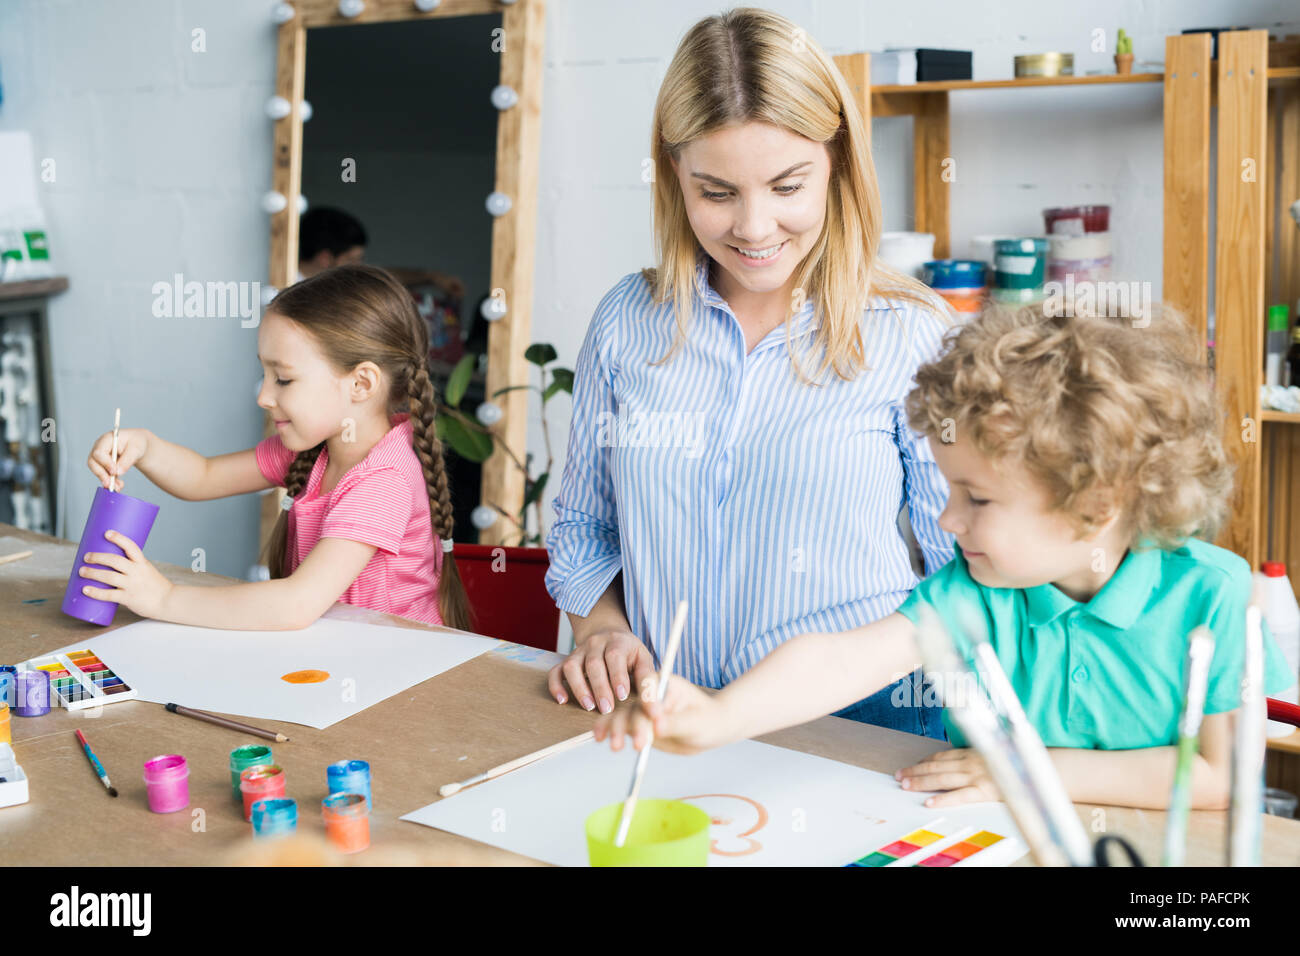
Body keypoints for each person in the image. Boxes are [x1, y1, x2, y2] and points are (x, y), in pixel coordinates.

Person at [595, 304, 1295, 810]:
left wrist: (1025, 771)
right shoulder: (977, 590)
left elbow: (1220, 778)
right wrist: (720, 716)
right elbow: (847, 658)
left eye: (977, 499)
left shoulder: (1216, 596)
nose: (944, 518)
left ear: (1096, 503)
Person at [544, 8, 953, 738]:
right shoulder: (627, 321)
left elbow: (968, 567)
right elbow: (583, 526)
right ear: (675, 175)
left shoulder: (912, 332)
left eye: (787, 187)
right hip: (664, 713)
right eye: (718, 193)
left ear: (838, 164)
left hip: (864, 720)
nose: (755, 229)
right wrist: (601, 629)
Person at [81, 265, 470, 631]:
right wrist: (145, 446)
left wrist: (165, 599)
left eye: (283, 379)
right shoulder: (314, 448)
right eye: (265, 374)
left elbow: (295, 604)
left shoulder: (383, 481)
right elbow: (203, 477)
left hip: (396, 674)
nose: (264, 396)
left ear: (361, 384)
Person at [298, 207, 367, 280]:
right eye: (351, 260)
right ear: (324, 258)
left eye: (360, 259)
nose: (358, 268)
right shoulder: (286, 286)